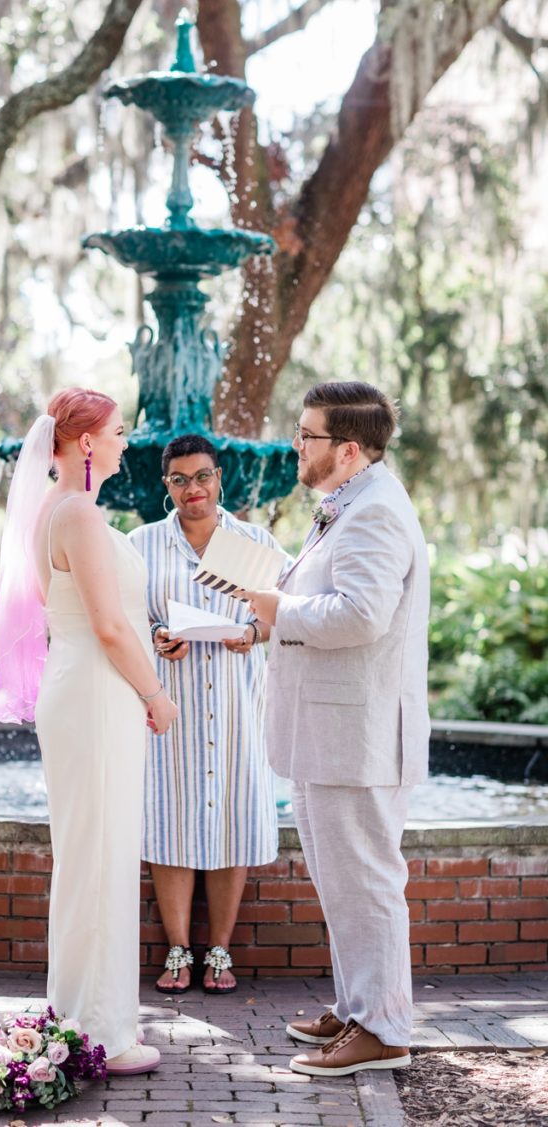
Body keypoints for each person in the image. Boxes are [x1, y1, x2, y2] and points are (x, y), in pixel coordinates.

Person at [0, 387, 179, 1077]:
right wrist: (156, 694)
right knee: (101, 857)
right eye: (120, 432)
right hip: (99, 695)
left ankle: (80, 1013)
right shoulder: (78, 514)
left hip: (81, 687)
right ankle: (102, 1033)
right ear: (88, 441)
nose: (127, 443)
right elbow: (107, 626)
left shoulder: (54, 509)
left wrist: (151, 646)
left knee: (89, 854)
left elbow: (91, 616)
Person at [240, 381, 427, 1078]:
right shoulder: (349, 503)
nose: (297, 444)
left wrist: (279, 609)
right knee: (341, 886)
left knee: (366, 884)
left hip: (359, 737)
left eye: (307, 435)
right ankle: (357, 1009)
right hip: (328, 733)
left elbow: (360, 615)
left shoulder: (375, 512)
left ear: (348, 449)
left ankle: (382, 1030)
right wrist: (266, 618)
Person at [130, 435, 283, 995]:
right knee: (170, 817)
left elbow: (282, 614)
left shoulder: (254, 543)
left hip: (237, 707)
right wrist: (156, 634)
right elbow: (124, 617)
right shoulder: (141, 545)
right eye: (179, 479)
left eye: (201, 476)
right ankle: (177, 950)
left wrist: (252, 632)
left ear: (219, 478)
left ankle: (219, 949)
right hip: (170, 706)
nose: (192, 488)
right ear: (165, 485)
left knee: (231, 819)